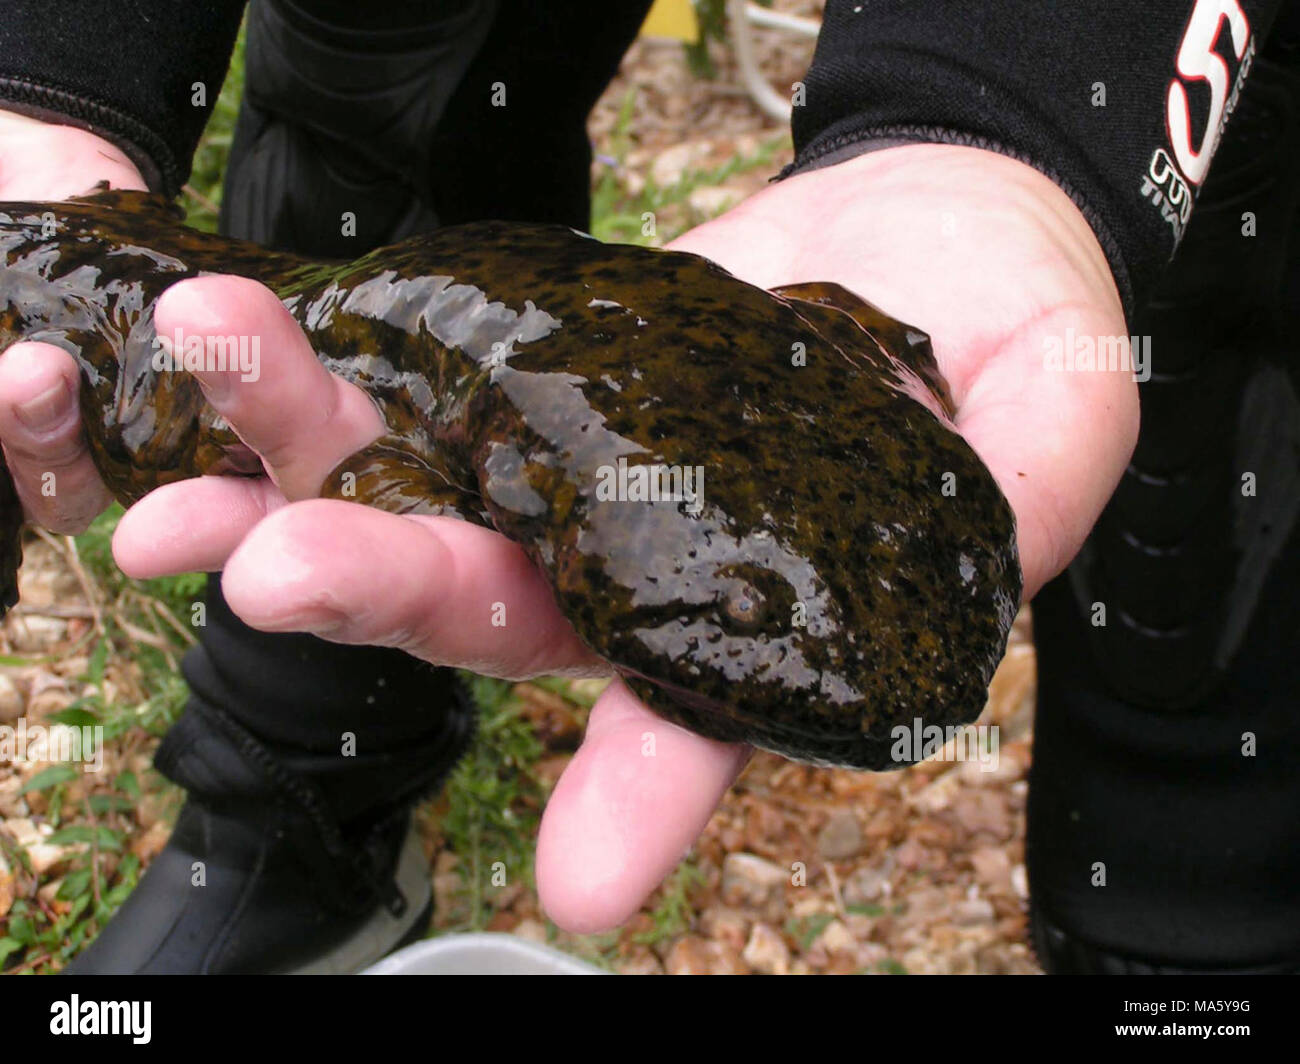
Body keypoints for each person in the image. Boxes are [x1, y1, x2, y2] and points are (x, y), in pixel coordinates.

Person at [0, 0, 1293, 974]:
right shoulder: (475, 432)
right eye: (741, 612)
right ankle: (296, 786)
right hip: (310, 297)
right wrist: (53, 73)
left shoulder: (766, 374)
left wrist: (1012, 127)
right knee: (385, 110)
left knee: (1215, 366)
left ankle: (1179, 938)